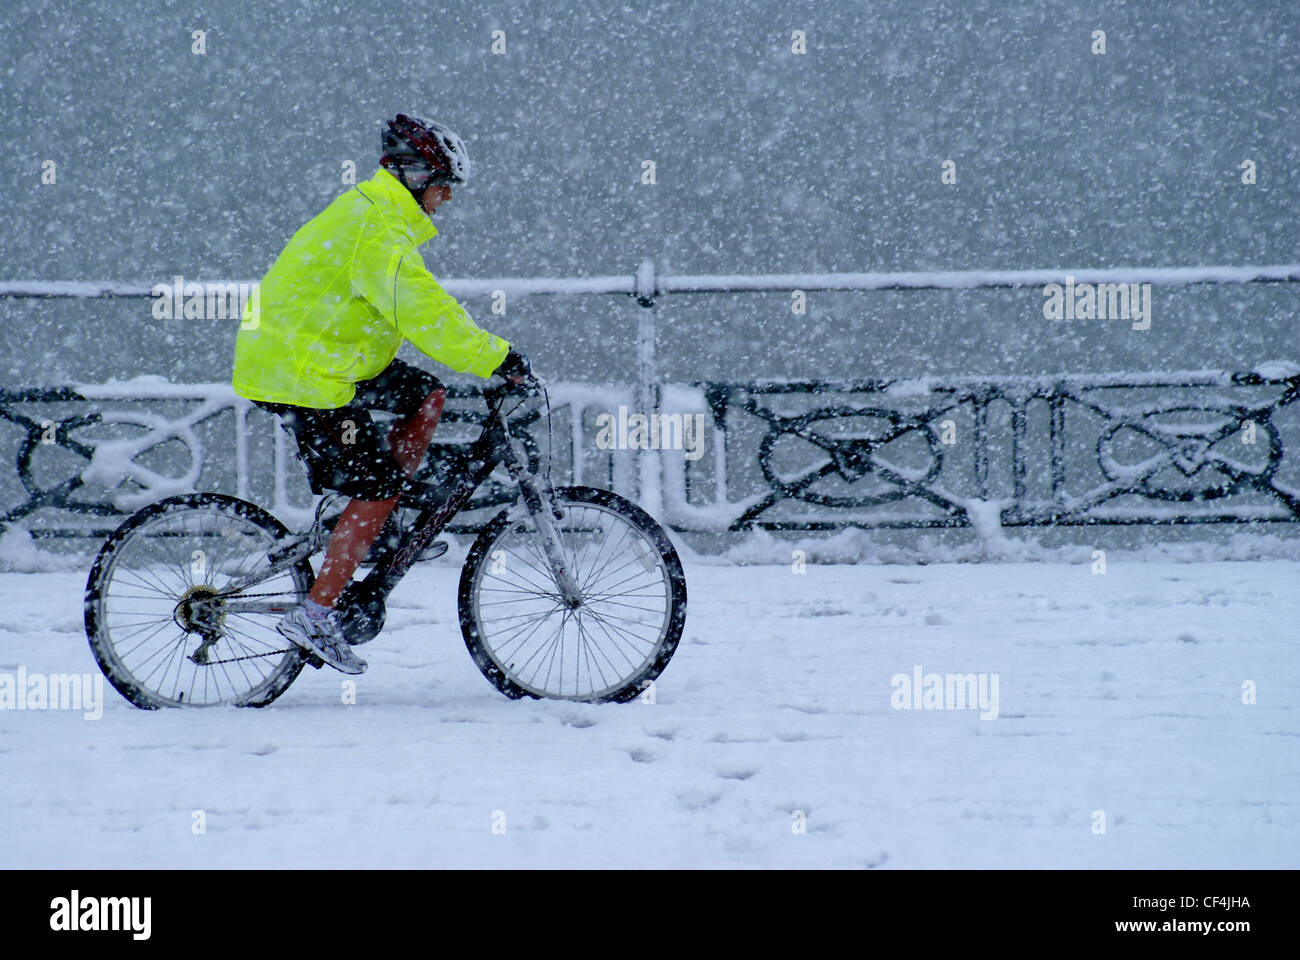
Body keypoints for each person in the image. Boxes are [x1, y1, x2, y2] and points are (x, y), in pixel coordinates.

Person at [231, 114, 532, 675]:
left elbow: (415, 305)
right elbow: (421, 310)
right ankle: (315, 616)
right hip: (301, 373)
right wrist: (498, 357)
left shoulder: (380, 216)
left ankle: (379, 520)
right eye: (444, 185)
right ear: (417, 177)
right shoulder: (376, 226)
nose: (448, 199)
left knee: (426, 394)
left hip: (326, 358)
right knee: (377, 481)